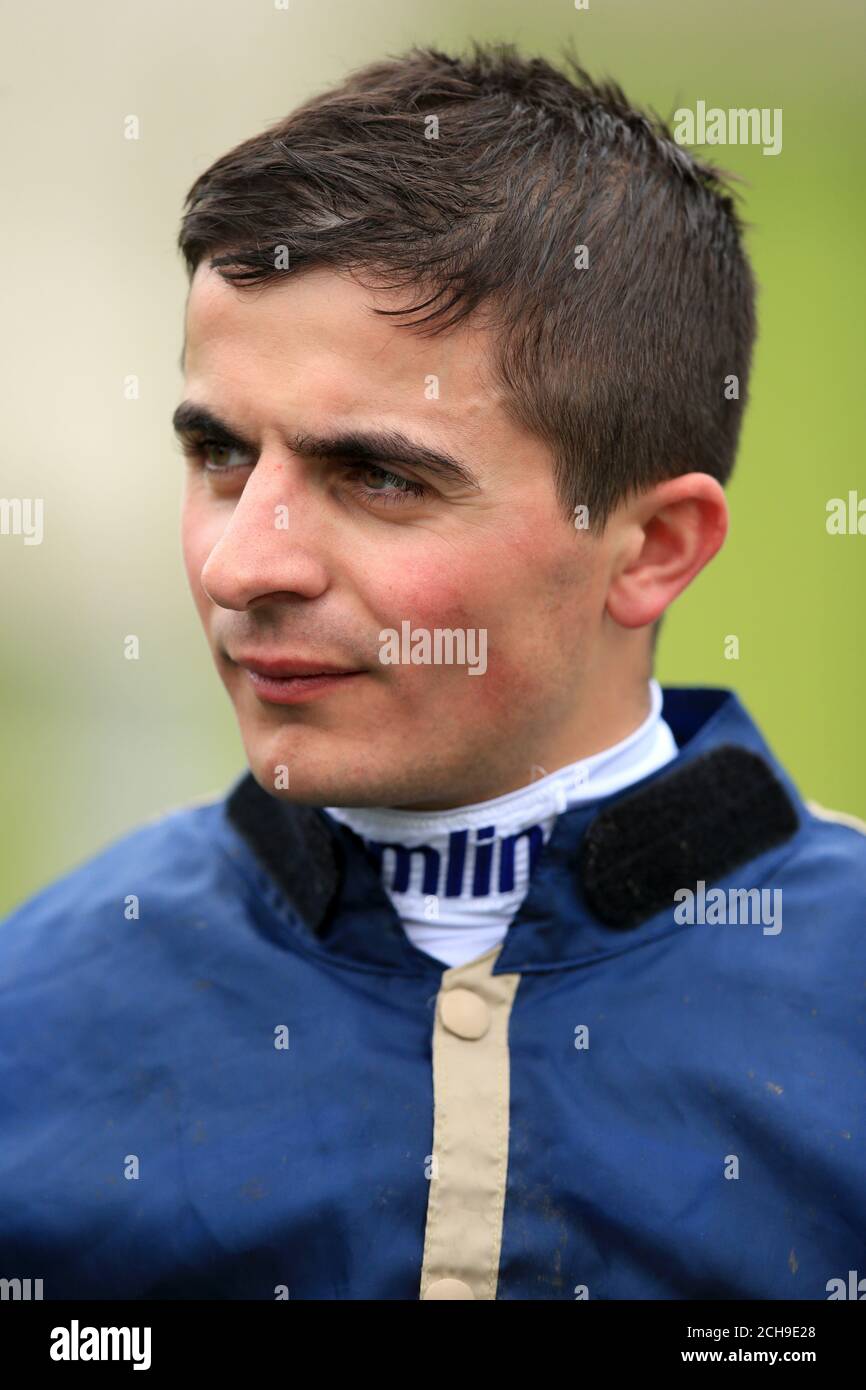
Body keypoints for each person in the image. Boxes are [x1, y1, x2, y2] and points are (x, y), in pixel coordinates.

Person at [1, 42, 863, 1302]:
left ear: (651, 550)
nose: (244, 567)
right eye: (222, 458)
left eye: (378, 477)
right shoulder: (36, 1010)